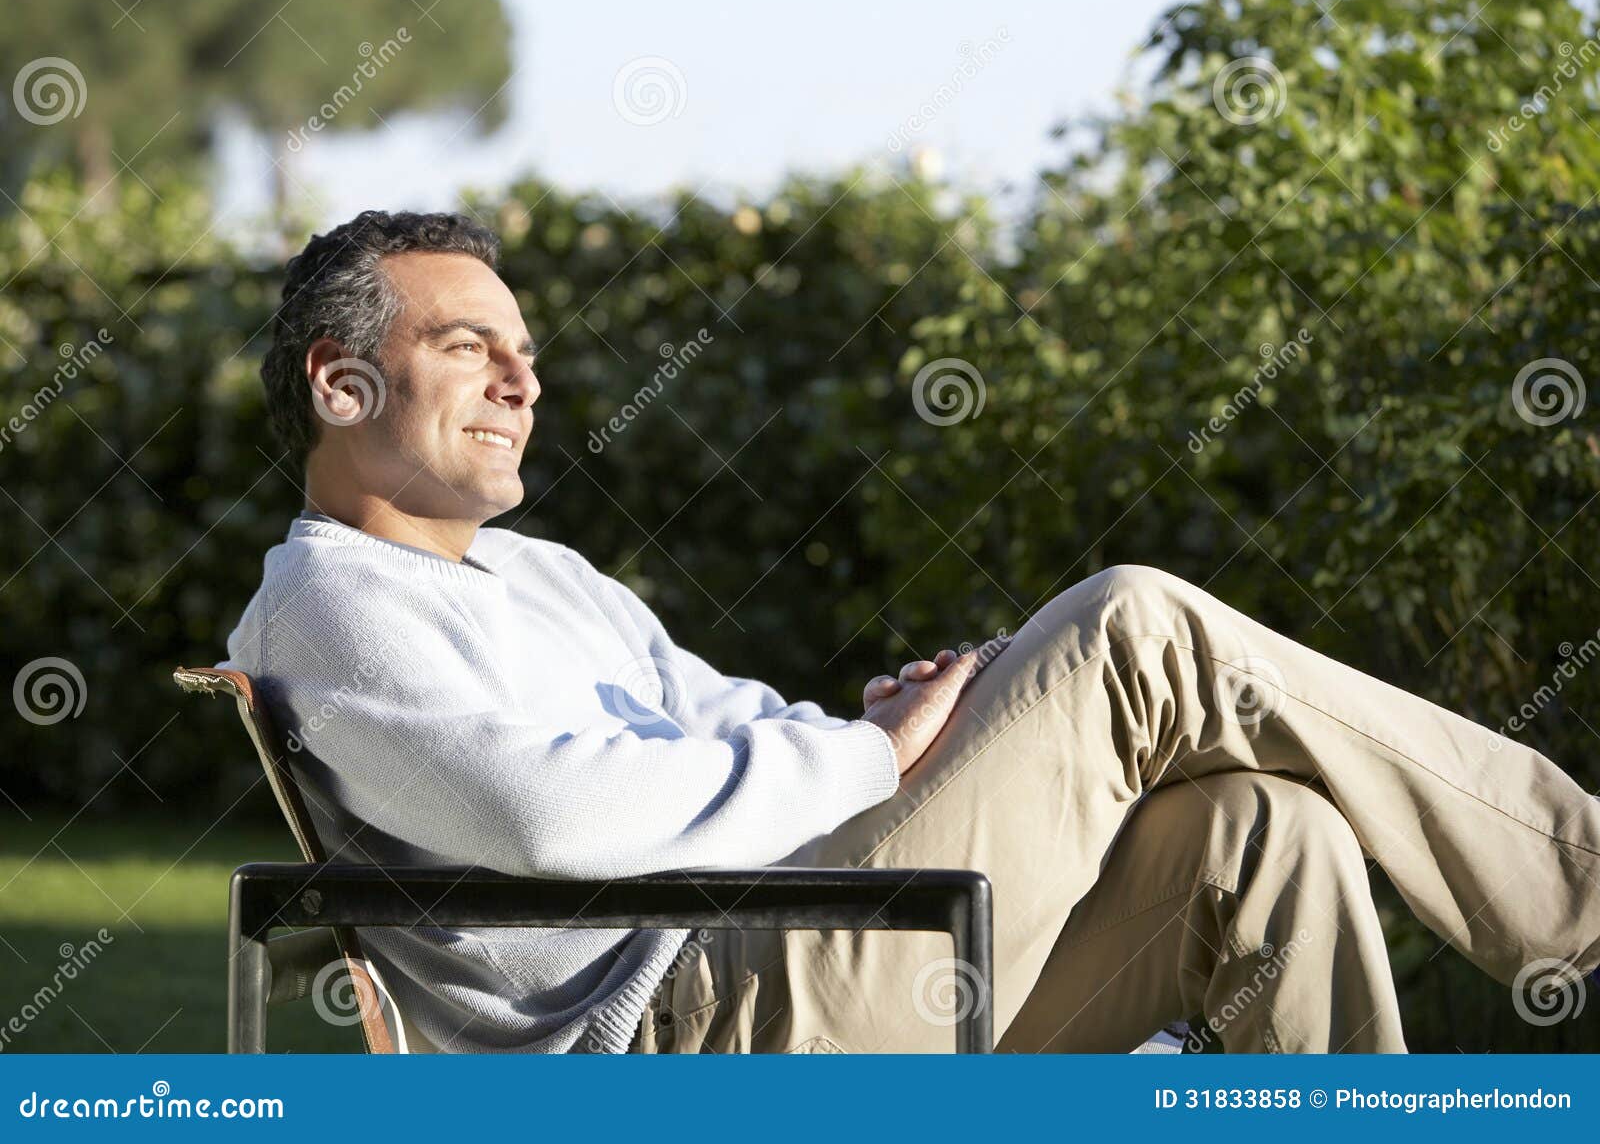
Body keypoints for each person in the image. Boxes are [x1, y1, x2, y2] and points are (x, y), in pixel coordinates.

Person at [223, 210, 1600, 1054]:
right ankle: (1581, 890)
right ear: (342, 383)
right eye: (472, 345)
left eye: (525, 349)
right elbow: (548, 822)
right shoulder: (334, 601)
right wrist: (876, 760)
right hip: (680, 1031)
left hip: (805, 957)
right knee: (1135, 628)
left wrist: (912, 736)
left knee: (1257, 836)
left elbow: (734, 727)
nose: (525, 379)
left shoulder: (542, 576)